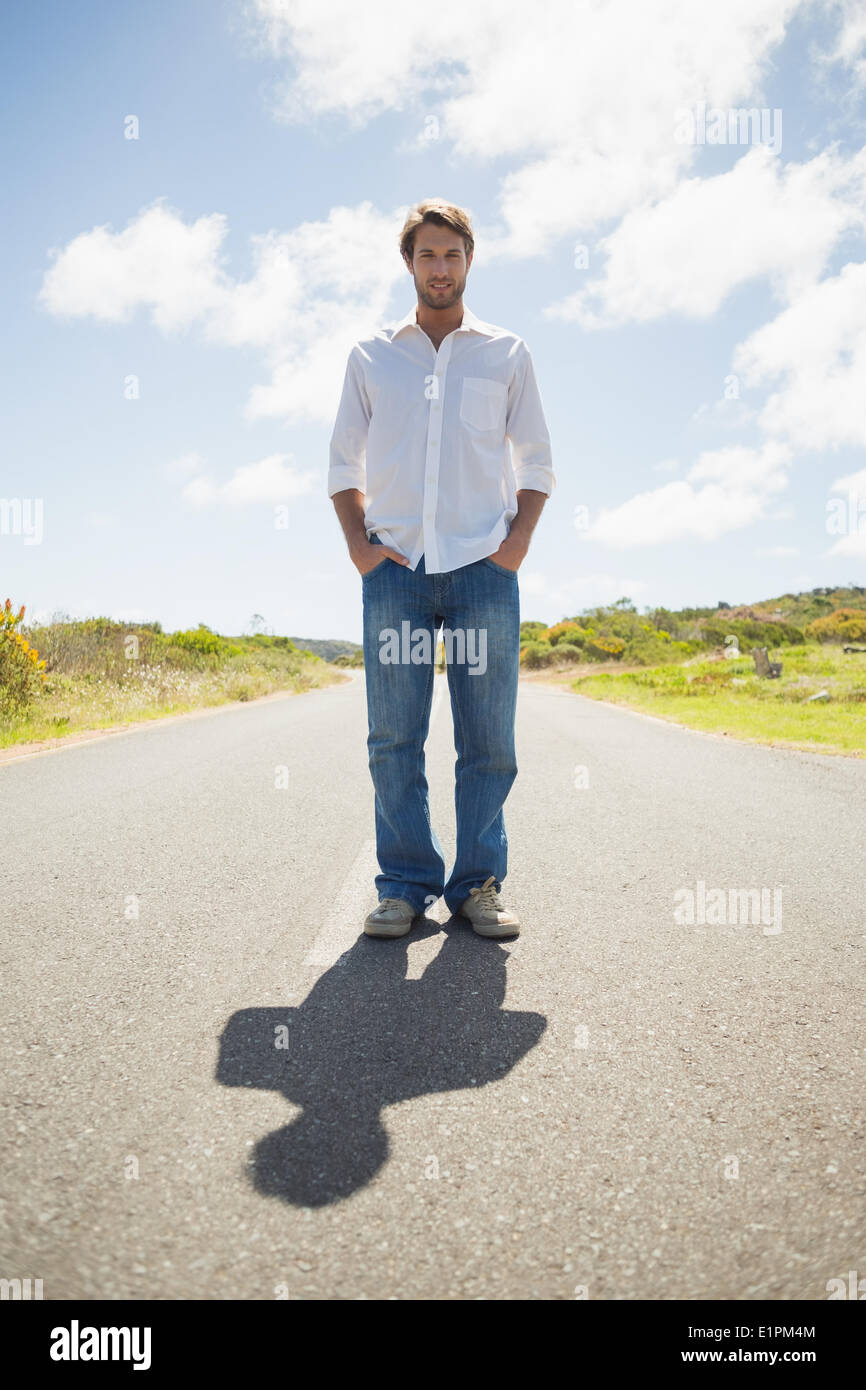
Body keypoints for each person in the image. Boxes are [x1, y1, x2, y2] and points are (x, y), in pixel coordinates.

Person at [328, 198, 554, 940]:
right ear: (409, 264)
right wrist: (362, 550)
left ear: (469, 261)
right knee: (394, 737)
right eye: (427, 255)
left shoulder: (507, 352)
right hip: (395, 573)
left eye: (452, 255)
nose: (440, 268)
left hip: (483, 572)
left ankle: (479, 885)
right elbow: (341, 462)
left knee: (488, 740)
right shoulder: (371, 355)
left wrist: (513, 547)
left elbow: (537, 462)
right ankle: (403, 885)